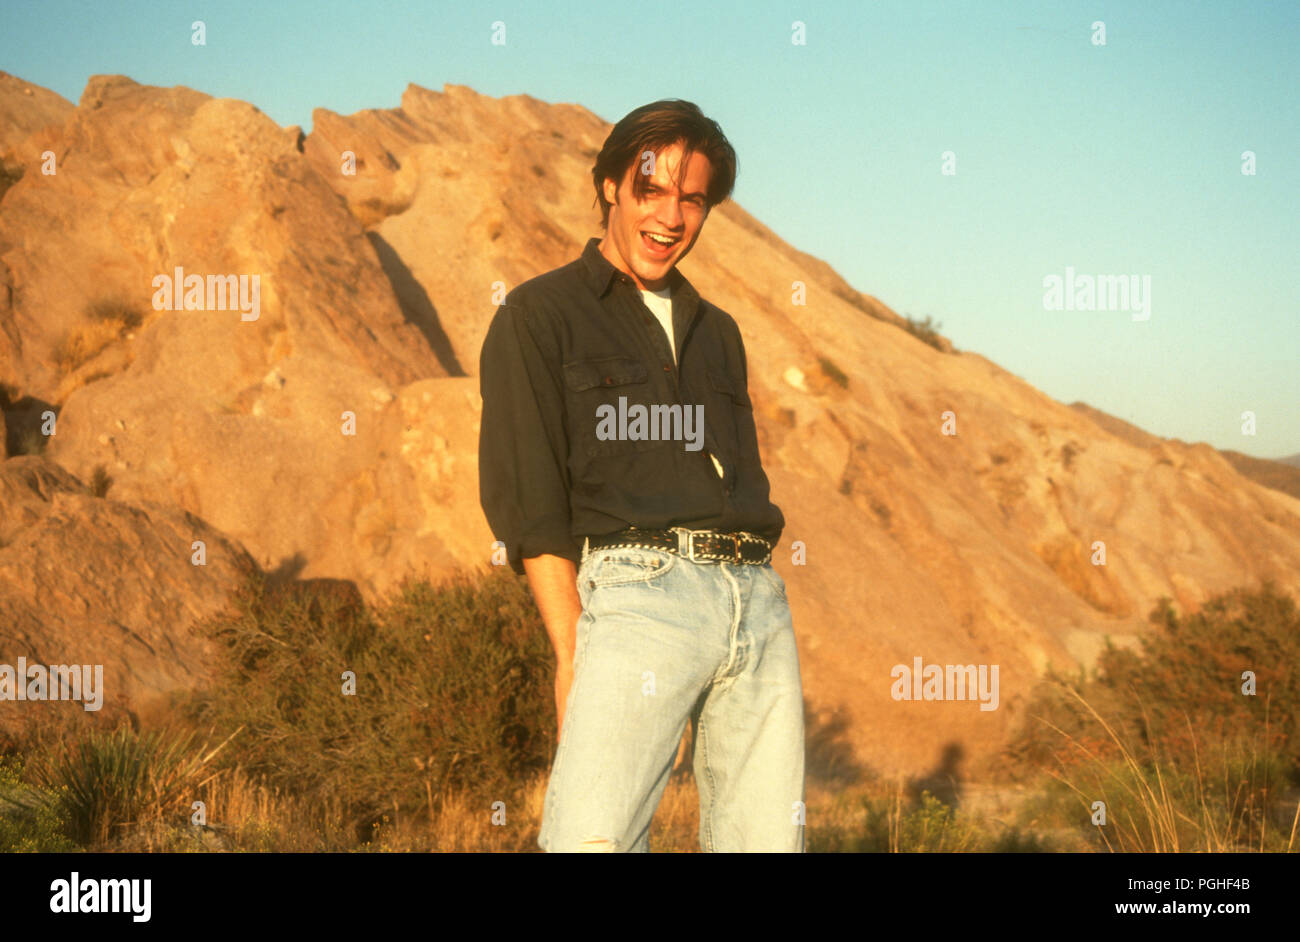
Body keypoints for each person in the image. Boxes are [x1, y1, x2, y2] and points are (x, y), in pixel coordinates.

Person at [478, 99, 805, 852]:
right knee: (592, 841)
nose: (671, 216)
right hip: (638, 597)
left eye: (692, 199)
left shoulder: (718, 332)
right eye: (650, 190)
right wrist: (571, 655)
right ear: (609, 189)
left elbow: (739, 479)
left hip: (754, 602)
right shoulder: (539, 315)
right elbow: (533, 500)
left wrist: (743, 610)